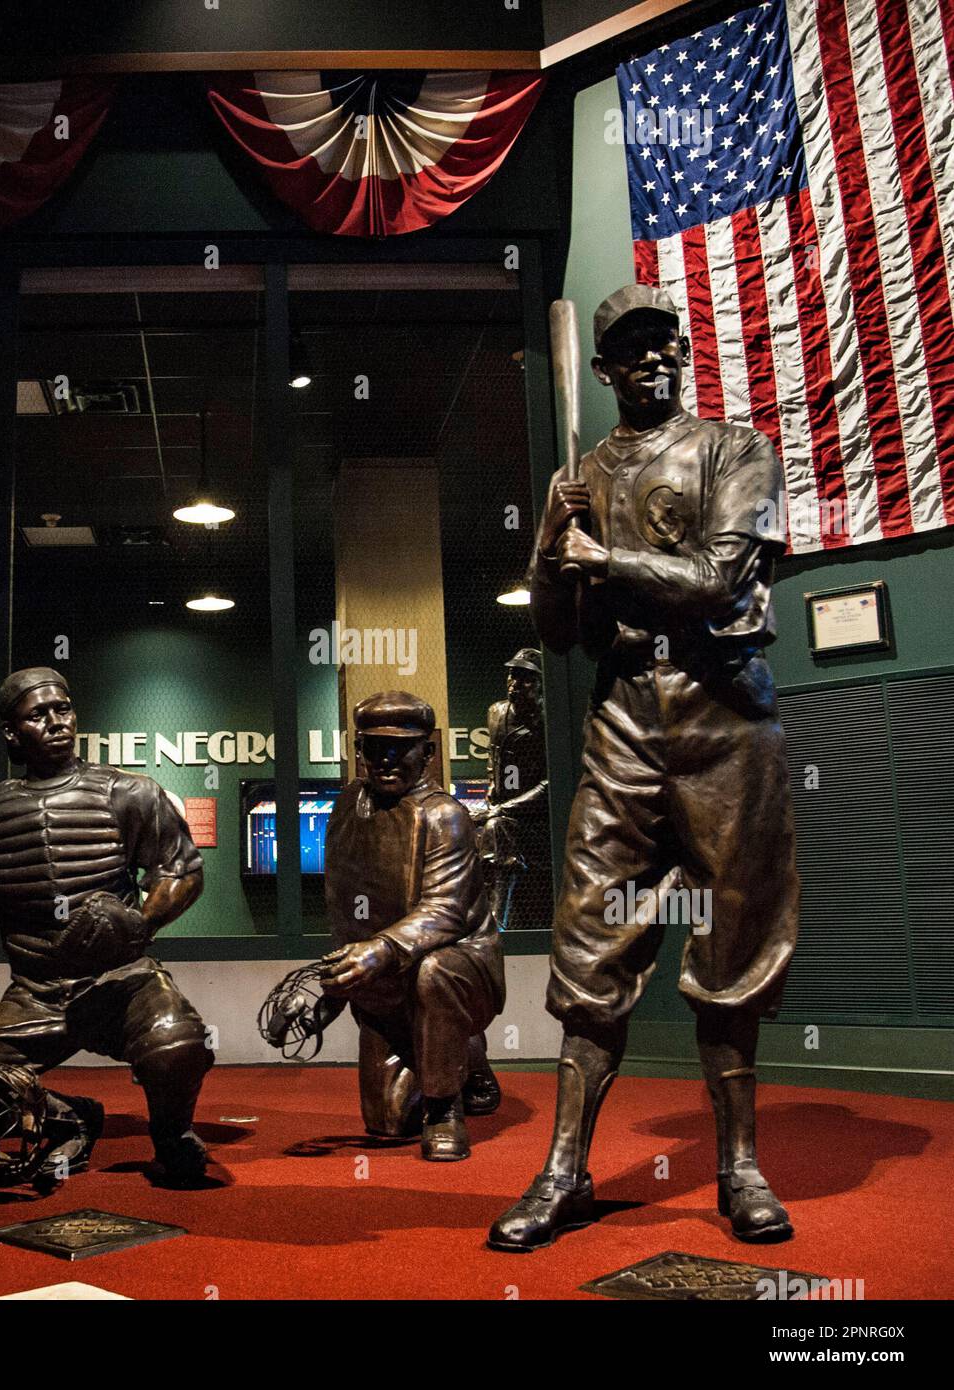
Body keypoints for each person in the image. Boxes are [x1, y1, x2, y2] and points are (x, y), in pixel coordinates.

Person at [488, 285, 799, 1251]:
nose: (655, 357)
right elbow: (560, 634)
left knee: (734, 944)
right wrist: (551, 550)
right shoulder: (576, 481)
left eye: (667, 342)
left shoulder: (736, 450)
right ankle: (565, 1168)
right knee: (590, 944)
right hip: (623, 719)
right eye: (633, 348)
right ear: (606, 370)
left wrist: (602, 554)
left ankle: (739, 1164)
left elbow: (714, 581)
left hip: (723, 716)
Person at [0, 667, 214, 1188]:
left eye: (63, 709)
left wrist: (141, 921)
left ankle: (171, 1135)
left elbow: (180, 871)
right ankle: (70, 1118)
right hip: (36, 996)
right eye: (37, 715)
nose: (56, 722)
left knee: (177, 1046)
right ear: (11, 732)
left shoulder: (129, 793)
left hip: (122, 982)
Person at [319, 692, 505, 1161]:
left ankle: (444, 1107)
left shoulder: (446, 817)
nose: (385, 760)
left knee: (434, 972)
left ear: (428, 752)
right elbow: (345, 911)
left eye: (399, 748)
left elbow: (444, 913)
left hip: (460, 965)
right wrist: (333, 990)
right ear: (358, 750)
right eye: (373, 747)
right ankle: (467, 1055)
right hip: (386, 977)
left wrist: (377, 951)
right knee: (386, 1122)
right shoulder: (346, 808)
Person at [473, 648, 550, 930]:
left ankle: (495, 925)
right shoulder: (496, 713)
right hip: (501, 809)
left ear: (542, 684)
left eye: (526, 678)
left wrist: (500, 810)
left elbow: (550, 785)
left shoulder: (548, 720)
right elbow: (493, 763)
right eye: (512, 675)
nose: (515, 683)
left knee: (497, 828)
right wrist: (490, 801)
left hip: (538, 819)